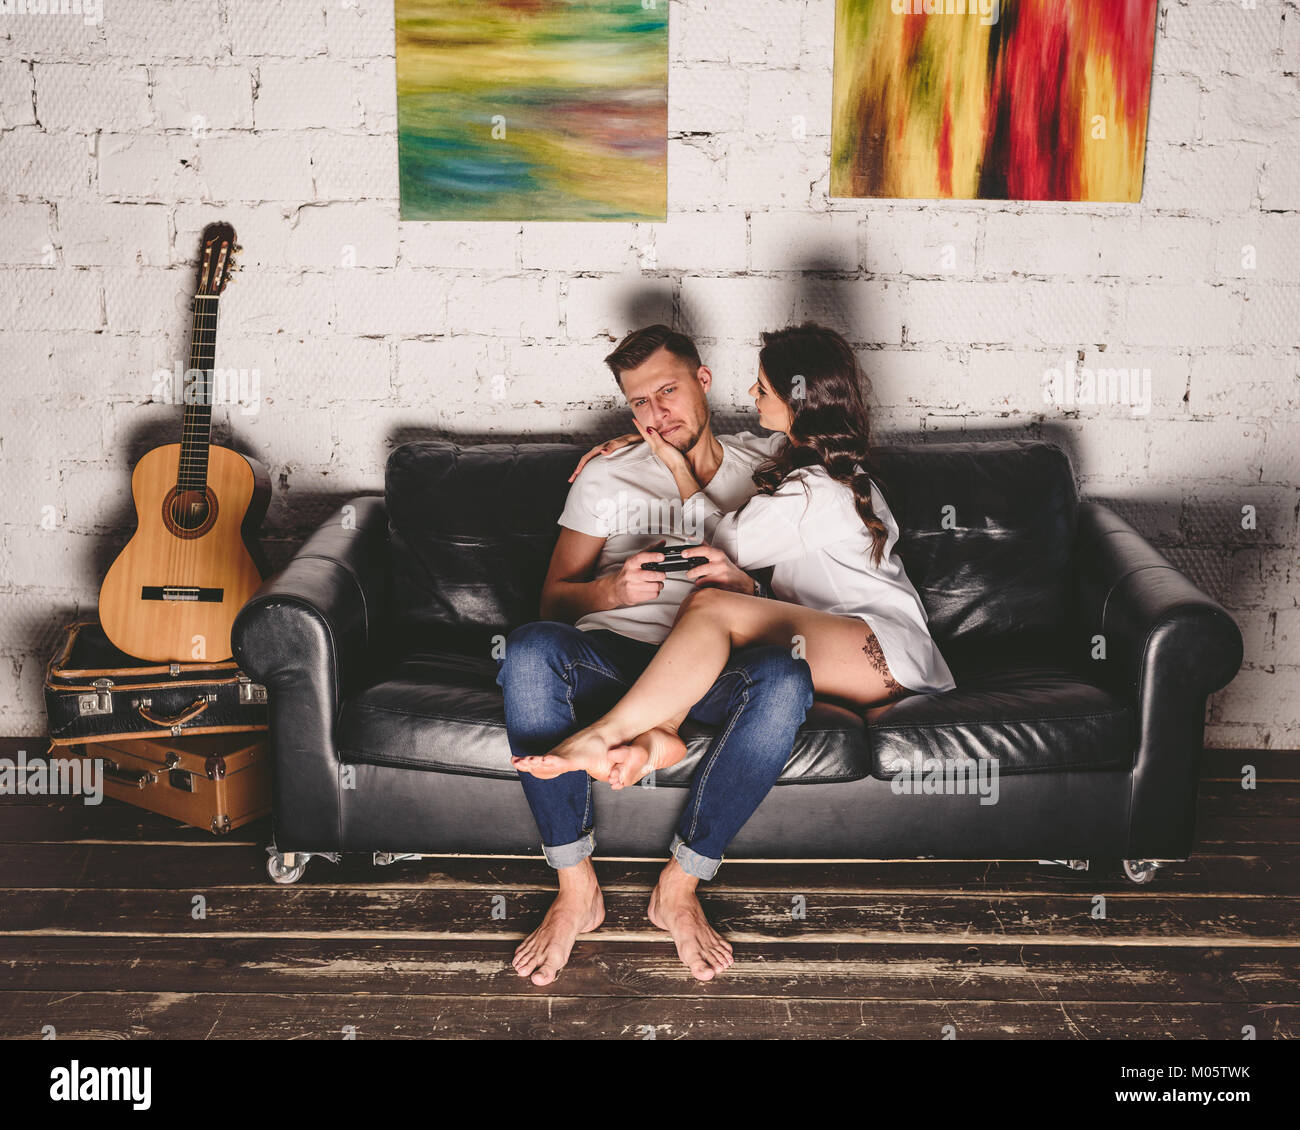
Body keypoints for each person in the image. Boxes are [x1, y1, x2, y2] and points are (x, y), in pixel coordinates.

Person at [513, 322, 956, 802]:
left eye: (762, 387)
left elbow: (724, 540)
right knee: (714, 606)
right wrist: (633, 442)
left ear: (797, 400)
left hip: (884, 649)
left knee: (710, 606)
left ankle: (608, 734)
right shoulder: (794, 462)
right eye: (642, 403)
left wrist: (674, 464)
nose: (750, 392)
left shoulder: (814, 486)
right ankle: (660, 731)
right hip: (847, 640)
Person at [496, 324, 814, 986]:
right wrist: (610, 589)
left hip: (718, 665)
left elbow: (804, 578)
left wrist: (746, 586)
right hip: (614, 657)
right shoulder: (606, 474)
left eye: (667, 391)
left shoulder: (769, 465)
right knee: (528, 651)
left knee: (786, 676)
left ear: (703, 381)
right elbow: (552, 600)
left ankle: (681, 885)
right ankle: (575, 888)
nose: (654, 414)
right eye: (638, 402)